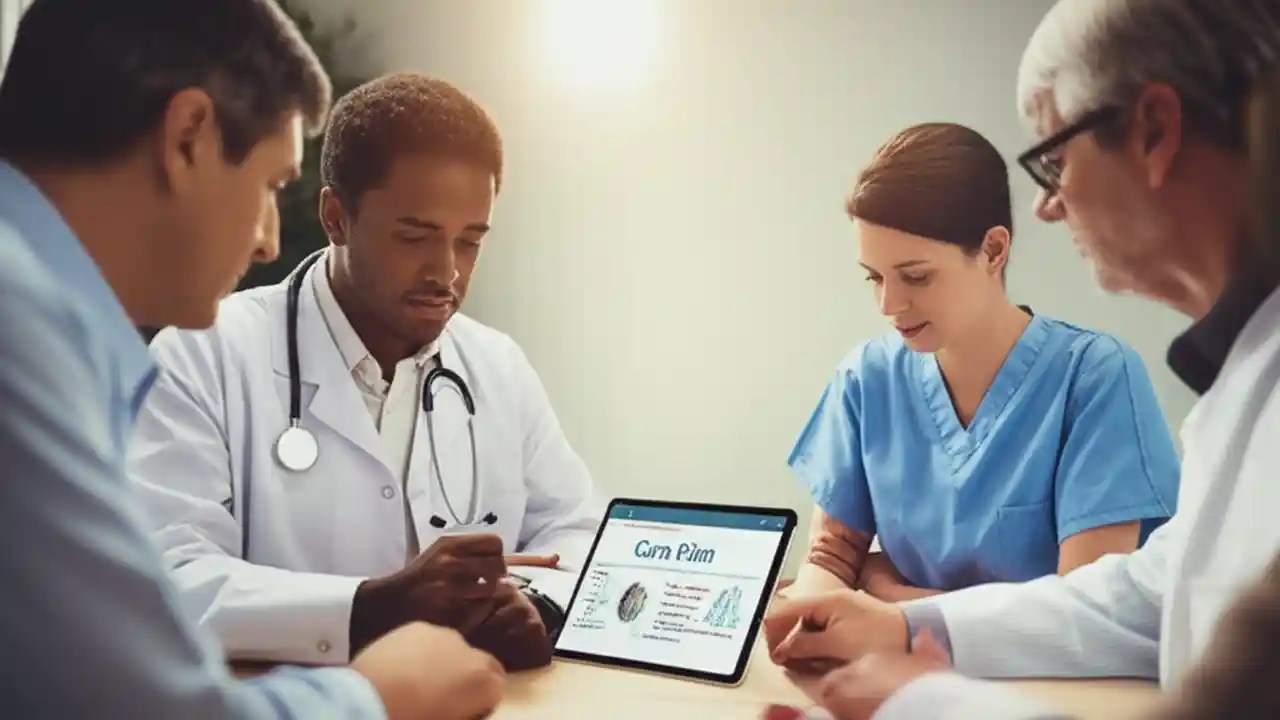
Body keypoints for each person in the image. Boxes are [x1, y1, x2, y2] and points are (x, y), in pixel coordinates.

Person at [763, 0, 1280, 717]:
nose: (1050, 205)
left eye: (1055, 160)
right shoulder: (1247, 376)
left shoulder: (1099, 375)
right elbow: (1139, 600)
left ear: (1155, 132)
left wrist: (921, 684)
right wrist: (902, 623)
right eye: (875, 278)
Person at [0, 1, 505, 719]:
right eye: (271, 185)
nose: (271, 240)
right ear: (189, 138)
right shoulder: (20, 336)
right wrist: (381, 694)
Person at [129, 72, 604, 670]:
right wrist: (370, 607)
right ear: (336, 218)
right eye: (416, 236)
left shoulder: (497, 368)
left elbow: (580, 531)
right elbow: (166, 577)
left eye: (469, 242)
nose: (446, 272)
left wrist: (542, 605)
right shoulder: (204, 353)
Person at [785, 122, 1178, 604]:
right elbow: (829, 563)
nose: (888, 305)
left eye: (916, 277)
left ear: (993, 250)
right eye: (874, 278)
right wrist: (825, 602)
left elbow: (1083, 615)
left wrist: (887, 596)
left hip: (1053, 682)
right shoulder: (867, 379)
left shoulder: (1094, 377)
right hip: (896, 674)